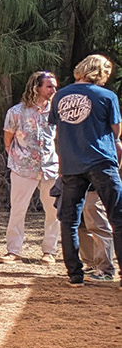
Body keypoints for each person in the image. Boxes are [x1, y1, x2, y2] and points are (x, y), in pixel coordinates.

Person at [50, 54, 122, 288]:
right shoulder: (107, 96)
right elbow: (116, 131)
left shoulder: (59, 96)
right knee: (117, 217)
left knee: (69, 220)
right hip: (101, 161)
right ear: (99, 73)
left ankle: (75, 275)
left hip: (70, 164)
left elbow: (57, 129)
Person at [2, 71, 60, 263]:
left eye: (54, 86)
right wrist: (19, 158)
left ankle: (49, 251)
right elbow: (8, 139)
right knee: (18, 209)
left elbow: (60, 138)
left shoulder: (57, 111)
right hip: (22, 167)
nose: (53, 90)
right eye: (49, 86)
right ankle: (13, 251)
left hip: (50, 167)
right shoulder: (16, 112)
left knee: (53, 210)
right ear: (37, 87)